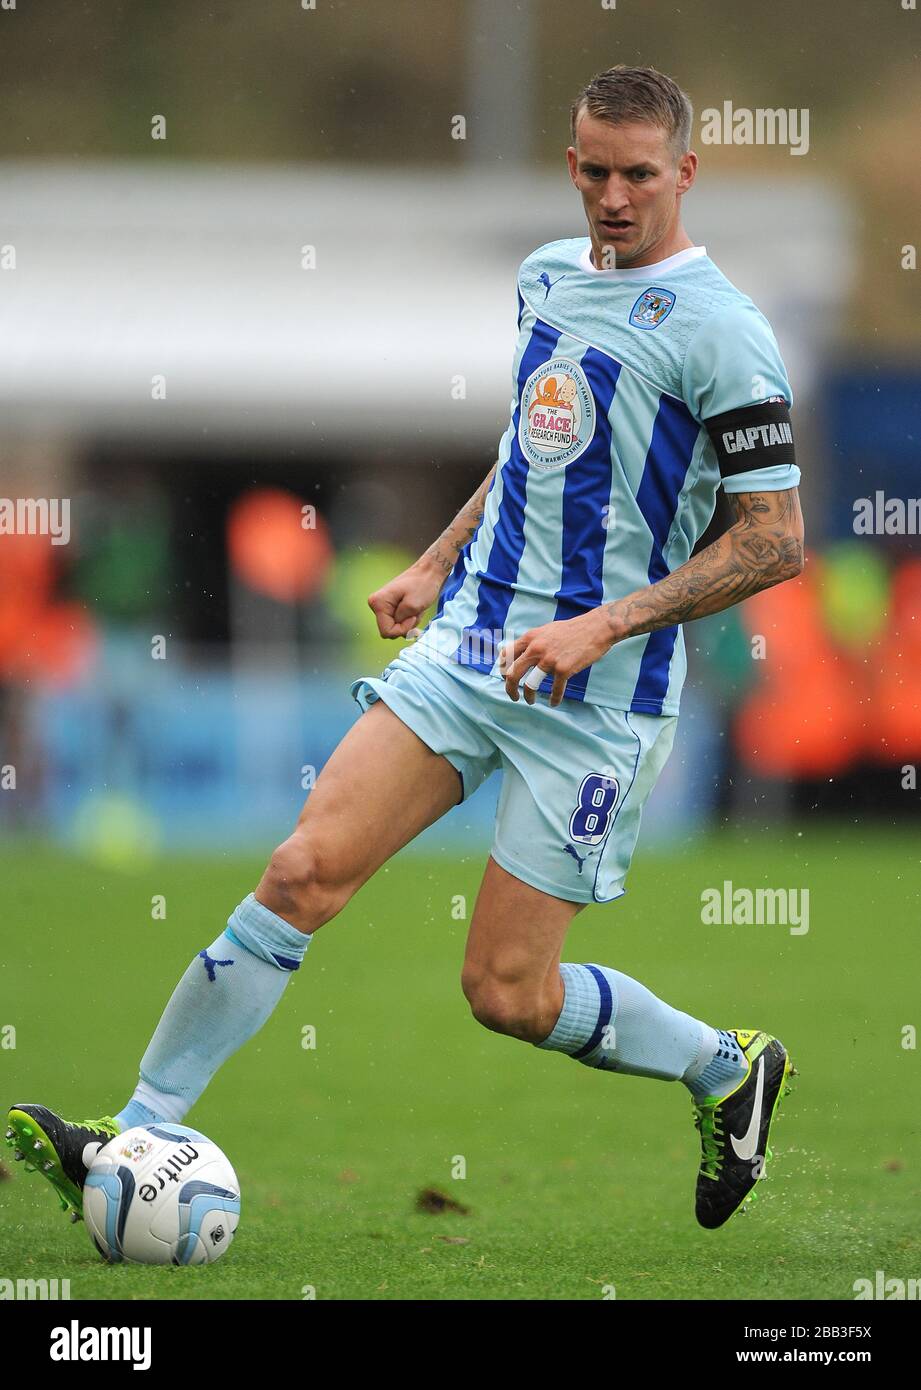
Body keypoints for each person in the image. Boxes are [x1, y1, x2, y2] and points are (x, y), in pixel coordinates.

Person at [8, 65, 802, 1234]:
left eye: (640, 174)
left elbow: (775, 538)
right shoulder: (545, 277)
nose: (614, 196)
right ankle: (140, 1129)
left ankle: (722, 1068)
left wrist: (607, 620)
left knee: (506, 992)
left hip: (599, 694)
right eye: (594, 169)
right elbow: (531, 445)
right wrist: (437, 561)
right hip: (471, 649)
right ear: (571, 162)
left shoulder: (725, 331)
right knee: (299, 873)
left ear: (686, 171)